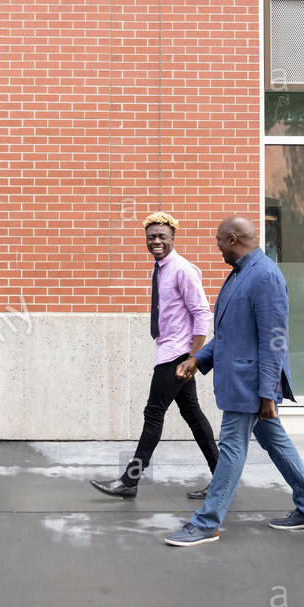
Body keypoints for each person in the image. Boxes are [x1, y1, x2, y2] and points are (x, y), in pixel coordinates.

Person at [163, 215, 304, 546]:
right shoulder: (242, 274)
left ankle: (207, 522)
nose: (218, 247)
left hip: (251, 385)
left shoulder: (265, 276)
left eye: (219, 241)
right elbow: (229, 335)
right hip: (244, 383)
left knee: (232, 448)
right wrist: (197, 359)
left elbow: (274, 339)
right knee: (274, 441)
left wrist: (268, 393)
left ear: (234, 239)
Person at [91, 212, 219, 500]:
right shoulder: (160, 268)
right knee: (194, 415)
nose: (157, 241)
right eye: (152, 237)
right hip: (171, 350)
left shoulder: (182, 269)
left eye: (162, 236)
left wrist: (193, 358)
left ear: (173, 238)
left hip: (177, 356)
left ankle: (129, 480)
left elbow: (201, 313)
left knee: (153, 414)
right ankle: (222, 478)